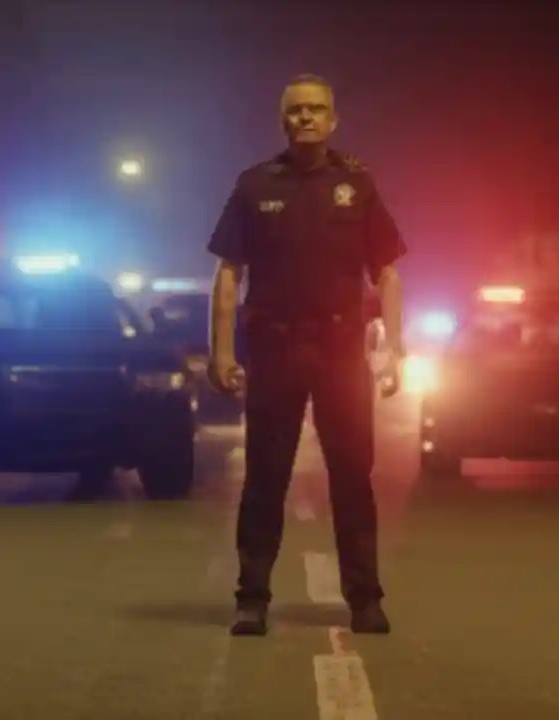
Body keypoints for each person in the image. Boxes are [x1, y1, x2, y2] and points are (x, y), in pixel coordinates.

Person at [206, 74, 407, 636]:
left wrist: (394, 348)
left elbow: (387, 273)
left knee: (353, 478)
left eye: (317, 109)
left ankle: (365, 599)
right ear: (283, 120)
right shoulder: (253, 186)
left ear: (334, 119)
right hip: (276, 350)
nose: (306, 118)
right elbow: (227, 273)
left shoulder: (358, 186)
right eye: (296, 111)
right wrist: (222, 351)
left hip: (342, 352)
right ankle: (252, 597)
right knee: (265, 478)